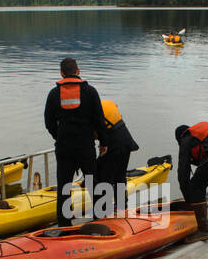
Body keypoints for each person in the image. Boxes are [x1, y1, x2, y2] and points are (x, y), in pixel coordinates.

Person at [44, 57, 104, 225]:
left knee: (64, 187)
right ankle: (100, 218)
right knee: (93, 183)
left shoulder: (54, 94)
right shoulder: (90, 92)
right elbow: (99, 121)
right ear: (78, 71)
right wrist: (103, 143)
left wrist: (59, 136)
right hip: (86, 146)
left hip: (64, 147)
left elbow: (48, 122)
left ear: (62, 74)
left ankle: (64, 224)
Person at [94, 98, 139, 217]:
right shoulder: (106, 103)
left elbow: (94, 132)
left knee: (104, 177)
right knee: (120, 176)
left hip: (114, 143)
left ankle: (104, 210)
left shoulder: (90, 111)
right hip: (126, 139)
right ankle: (121, 206)